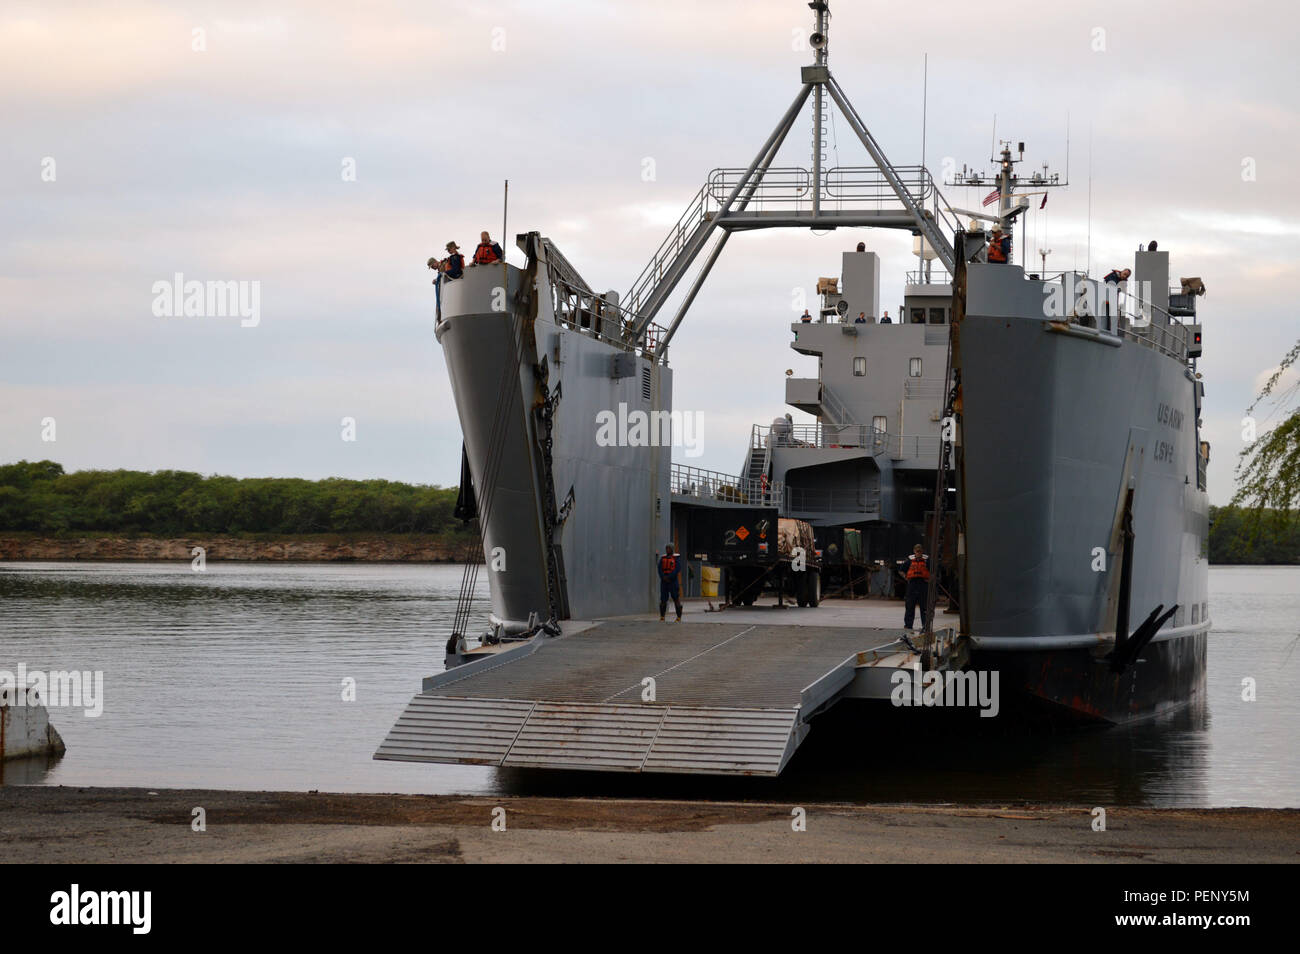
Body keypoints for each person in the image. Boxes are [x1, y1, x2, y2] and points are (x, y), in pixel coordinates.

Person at [902, 544, 930, 631]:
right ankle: (908, 625)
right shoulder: (909, 560)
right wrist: (906, 577)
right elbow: (901, 570)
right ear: (914, 551)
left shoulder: (927, 560)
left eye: (920, 551)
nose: (918, 552)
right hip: (912, 584)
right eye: (917, 551)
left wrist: (930, 579)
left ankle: (925, 626)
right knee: (910, 606)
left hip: (923, 584)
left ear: (922, 551)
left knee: (924, 607)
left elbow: (933, 571)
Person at [658, 544, 682, 622]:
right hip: (664, 581)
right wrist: (663, 577)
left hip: (673, 581)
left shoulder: (676, 558)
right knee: (663, 600)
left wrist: (670, 577)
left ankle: (678, 617)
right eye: (666, 548)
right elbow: (659, 569)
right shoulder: (662, 558)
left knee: (676, 598)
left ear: (672, 549)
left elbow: (677, 569)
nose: (667, 549)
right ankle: (662, 617)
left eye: (668, 548)